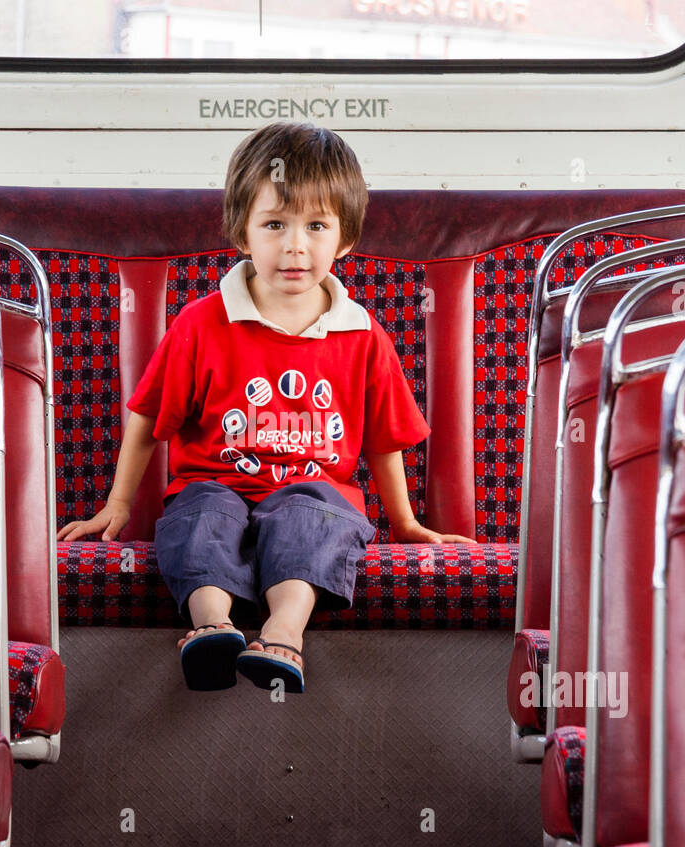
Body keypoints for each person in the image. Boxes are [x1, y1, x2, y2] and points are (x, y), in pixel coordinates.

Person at [57, 121, 475, 692]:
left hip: (314, 494)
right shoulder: (202, 322)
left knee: (315, 523)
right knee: (197, 522)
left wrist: (405, 522)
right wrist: (119, 503)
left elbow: (383, 440)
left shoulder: (362, 334)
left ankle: (283, 635)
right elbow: (151, 418)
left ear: (345, 240)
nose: (295, 245)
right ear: (242, 233)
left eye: (316, 226)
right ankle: (211, 627)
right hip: (213, 488)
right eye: (275, 224)